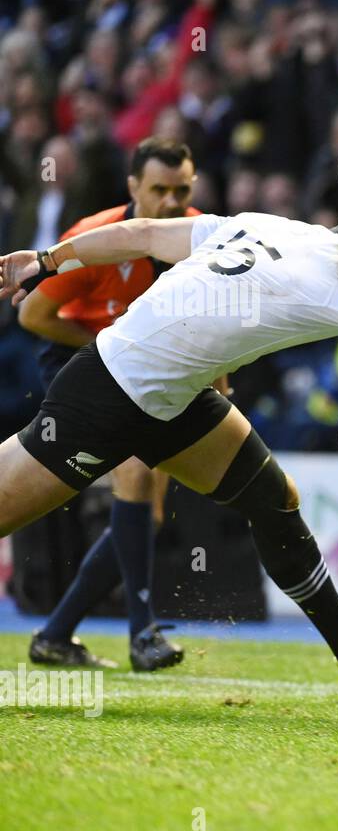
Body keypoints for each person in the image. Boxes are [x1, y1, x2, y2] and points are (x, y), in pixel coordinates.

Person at [0, 182, 338, 687]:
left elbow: (143, 233)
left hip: (174, 395)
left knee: (272, 496)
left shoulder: (267, 223)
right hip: (109, 391)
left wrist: (46, 258)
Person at [18, 137, 202, 671]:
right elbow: (33, 316)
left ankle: (55, 636)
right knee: (137, 482)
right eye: (159, 190)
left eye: (182, 189)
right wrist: (110, 348)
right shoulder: (94, 239)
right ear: (132, 189)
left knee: (149, 511)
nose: (171, 201)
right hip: (87, 366)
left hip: (160, 376)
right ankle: (143, 634)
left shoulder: (202, 236)